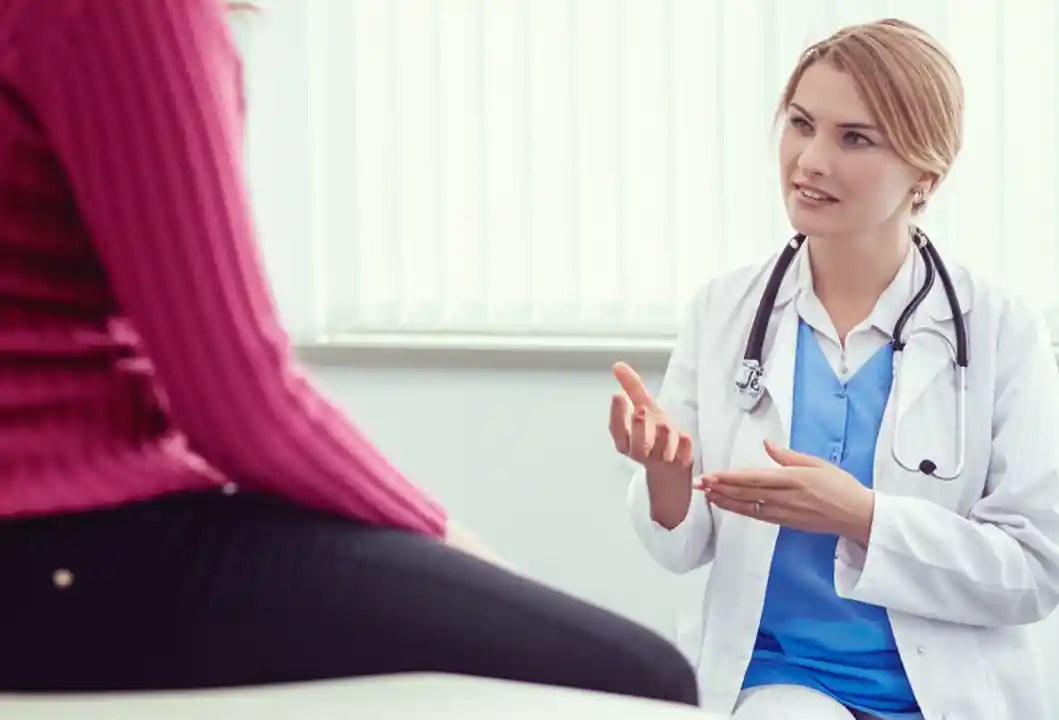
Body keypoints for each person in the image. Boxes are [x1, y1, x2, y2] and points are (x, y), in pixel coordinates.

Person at [0, 0, 697, 706]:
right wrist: (450, 544)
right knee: (639, 682)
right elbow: (240, 403)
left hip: (57, 539)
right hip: (61, 548)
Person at [608, 19, 1059, 720]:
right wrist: (667, 481)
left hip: (944, 690)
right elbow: (682, 549)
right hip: (782, 682)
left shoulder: (1001, 330)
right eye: (800, 124)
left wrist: (862, 516)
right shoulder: (725, 311)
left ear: (926, 173)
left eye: (855, 138)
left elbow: (1035, 573)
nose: (811, 160)